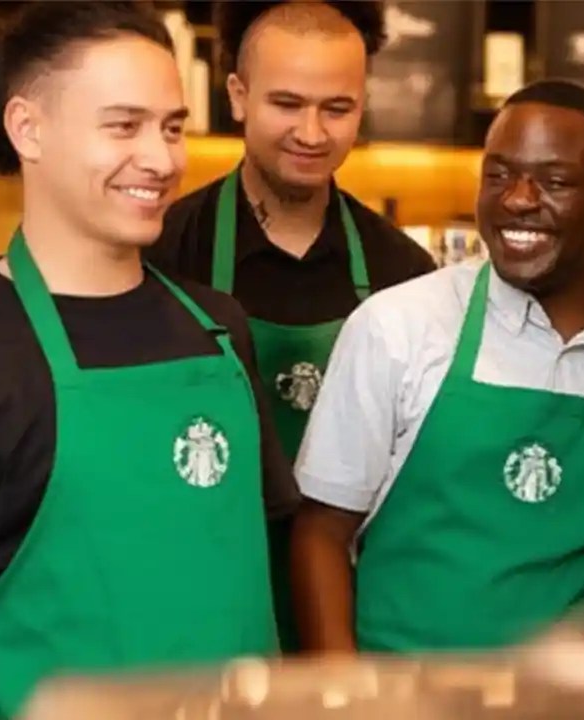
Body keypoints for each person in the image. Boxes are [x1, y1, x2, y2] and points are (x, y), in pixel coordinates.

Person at [289, 80, 584, 653]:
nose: (518, 199)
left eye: (554, 182)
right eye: (499, 175)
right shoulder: (397, 327)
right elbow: (319, 534)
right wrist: (343, 699)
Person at [0, 4, 293, 719]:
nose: (160, 159)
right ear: (28, 128)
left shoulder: (220, 327)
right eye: (124, 126)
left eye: (173, 126)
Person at [145, 0, 437, 650]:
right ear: (238, 96)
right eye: (287, 103)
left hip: (356, 620)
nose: (311, 132)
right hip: (205, 607)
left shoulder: (405, 271)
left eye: (337, 109)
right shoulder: (164, 253)